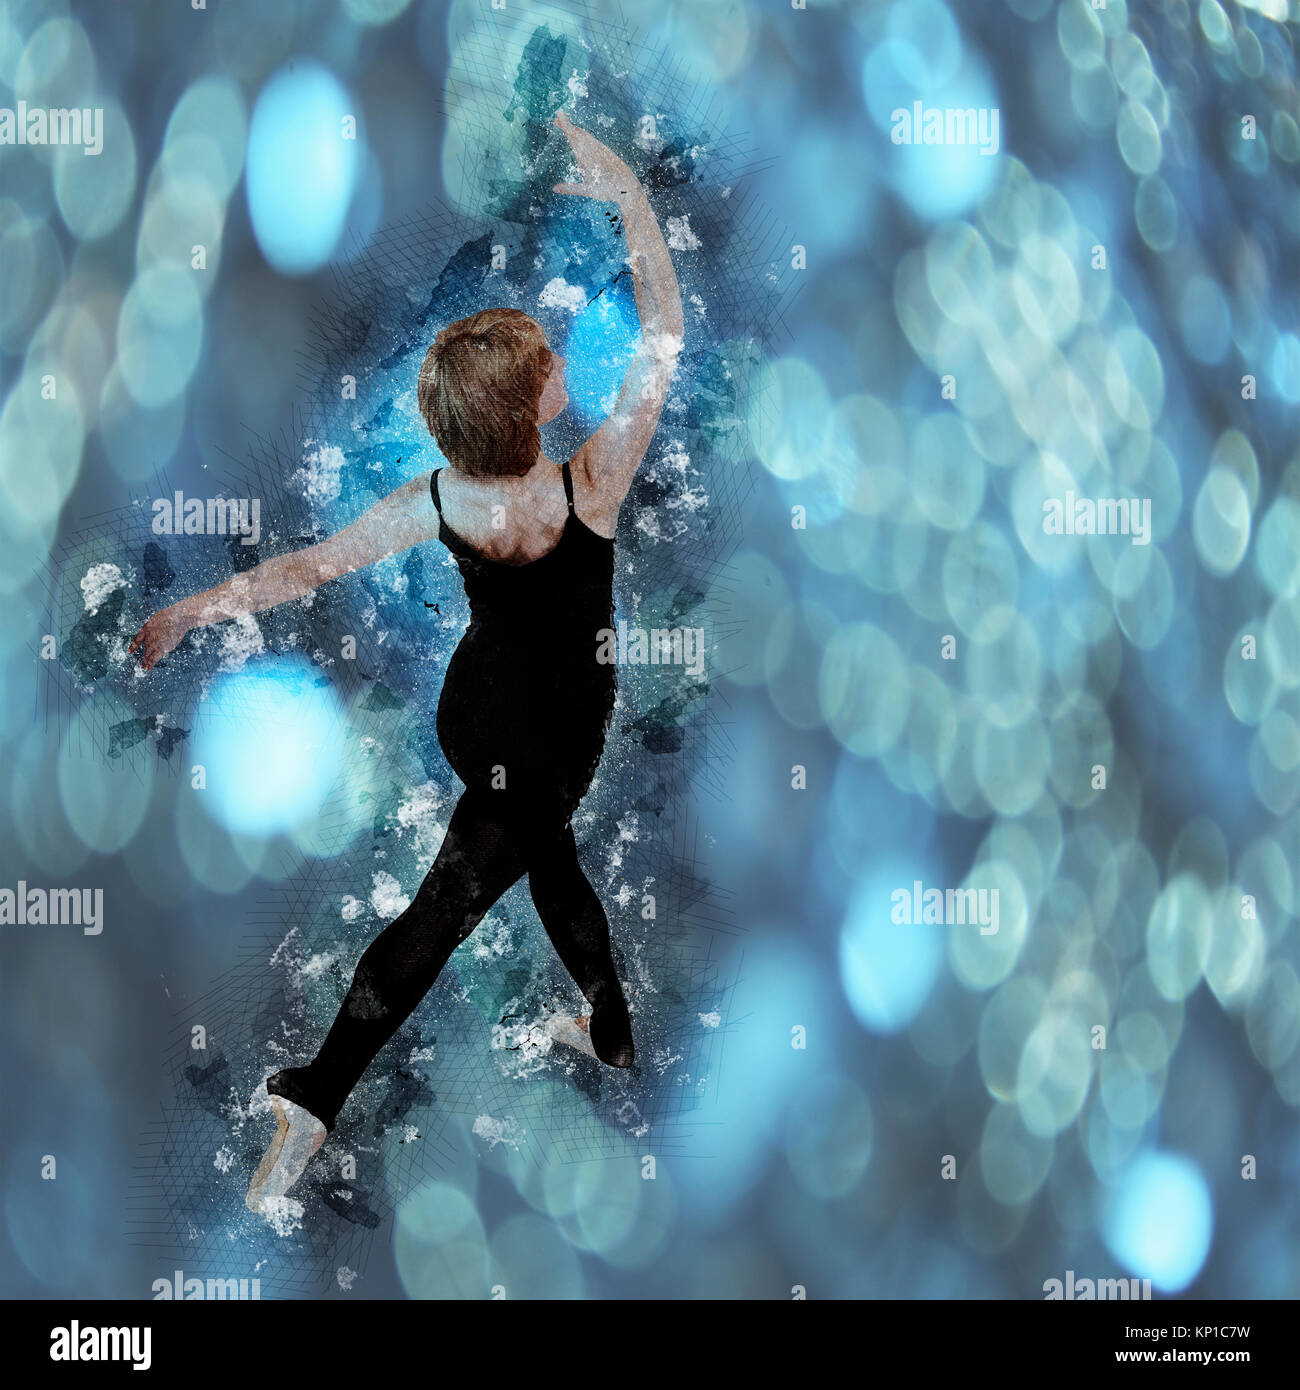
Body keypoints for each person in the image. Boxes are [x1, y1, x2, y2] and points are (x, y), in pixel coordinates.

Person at [129, 111, 685, 1212]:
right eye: (547, 367)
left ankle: (610, 1029)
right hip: (552, 733)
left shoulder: (436, 498)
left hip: (478, 714)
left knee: (542, 853)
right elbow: (665, 328)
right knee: (444, 909)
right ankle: (315, 1095)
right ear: (533, 410)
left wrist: (197, 608)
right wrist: (628, 196)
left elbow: (306, 569)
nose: (562, 364)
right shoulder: (593, 483)